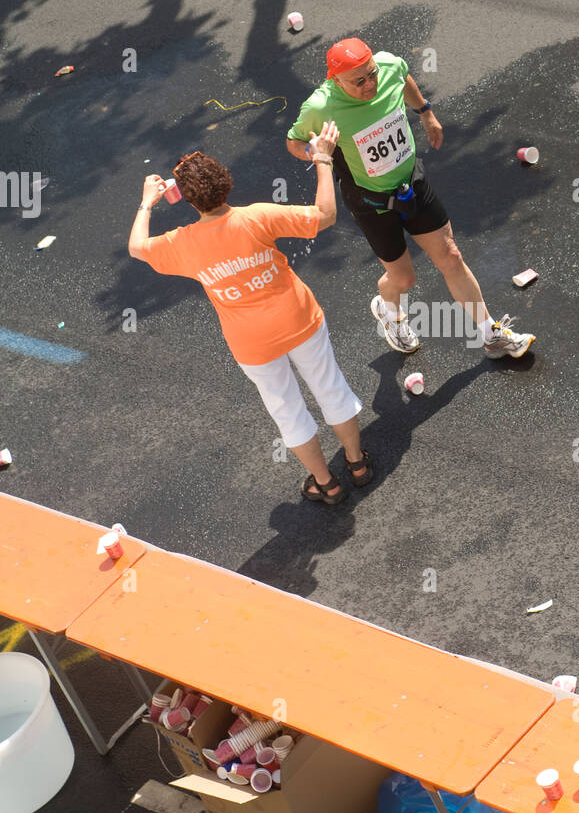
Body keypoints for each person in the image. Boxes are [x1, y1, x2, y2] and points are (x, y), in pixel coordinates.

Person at [127, 127, 371, 505]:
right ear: (226, 183)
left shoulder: (183, 243)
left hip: (252, 344)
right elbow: (325, 215)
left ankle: (326, 483)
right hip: (300, 319)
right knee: (330, 387)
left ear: (190, 202)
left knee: (287, 409)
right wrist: (323, 159)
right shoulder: (257, 217)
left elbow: (138, 248)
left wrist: (146, 203)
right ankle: (357, 464)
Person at [284, 38, 536, 359]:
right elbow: (293, 141)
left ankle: (491, 335)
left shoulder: (388, 64)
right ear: (335, 79)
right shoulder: (321, 107)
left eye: (371, 74)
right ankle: (389, 312)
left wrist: (425, 112)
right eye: (358, 81)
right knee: (403, 279)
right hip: (371, 202)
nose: (370, 84)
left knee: (452, 256)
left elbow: (403, 77)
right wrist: (316, 153)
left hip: (411, 182)